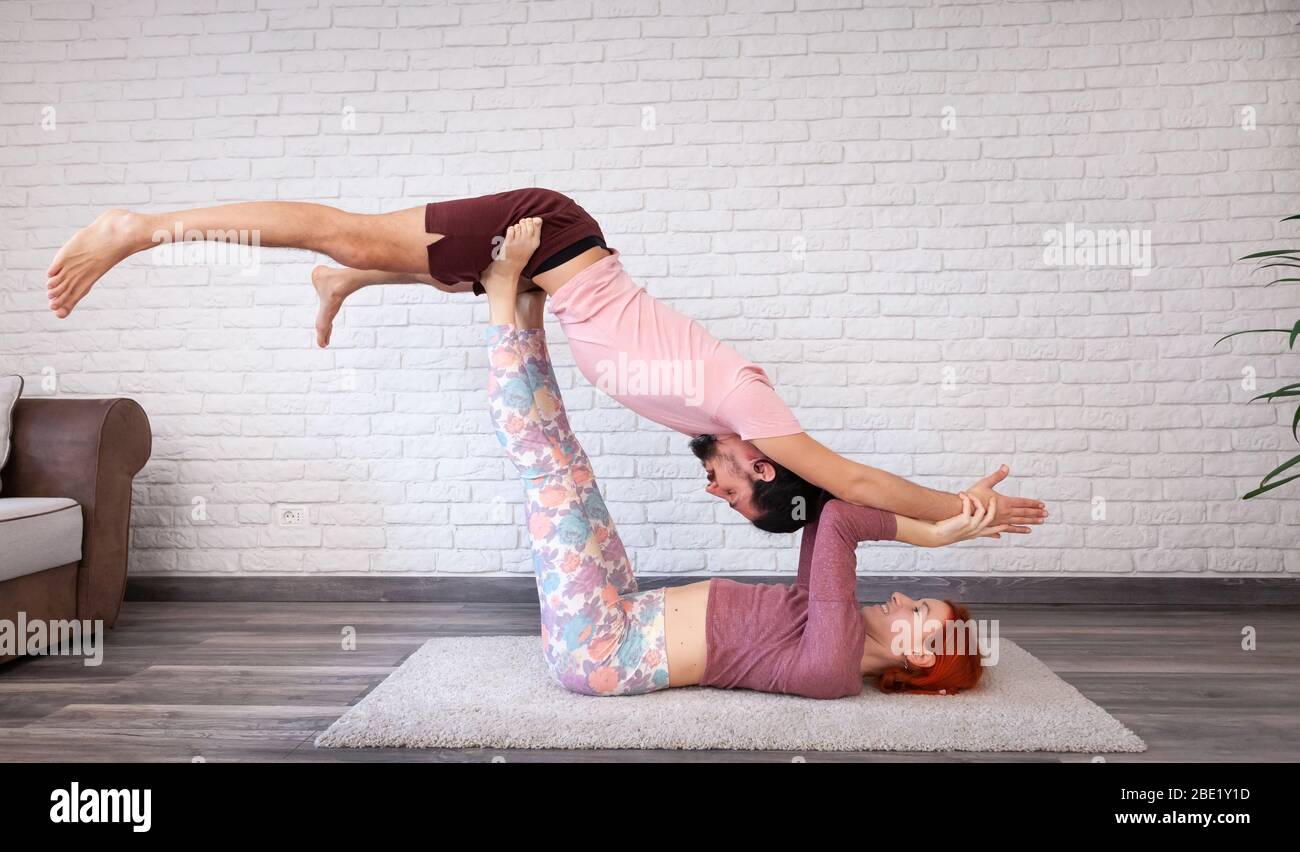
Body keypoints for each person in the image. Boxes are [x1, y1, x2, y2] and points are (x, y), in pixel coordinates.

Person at [45, 189, 1047, 534]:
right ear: (765, 466)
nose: (717, 497)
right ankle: (141, 229)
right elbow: (857, 480)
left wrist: (952, 530)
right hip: (556, 236)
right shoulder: (746, 403)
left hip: (546, 277)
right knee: (344, 232)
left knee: (360, 262)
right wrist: (966, 500)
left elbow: (846, 515)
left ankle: (345, 283)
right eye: (739, 501)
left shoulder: (719, 426)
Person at [479, 219, 998, 697]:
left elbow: (841, 519)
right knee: (569, 467)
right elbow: (826, 511)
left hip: (600, 647)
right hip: (625, 611)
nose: (905, 598)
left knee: (547, 470)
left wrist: (933, 532)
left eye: (920, 610)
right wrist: (943, 508)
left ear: (918, 654)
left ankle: (502, 297)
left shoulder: (833, 667)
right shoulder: (825, 625)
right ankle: (526, 312)